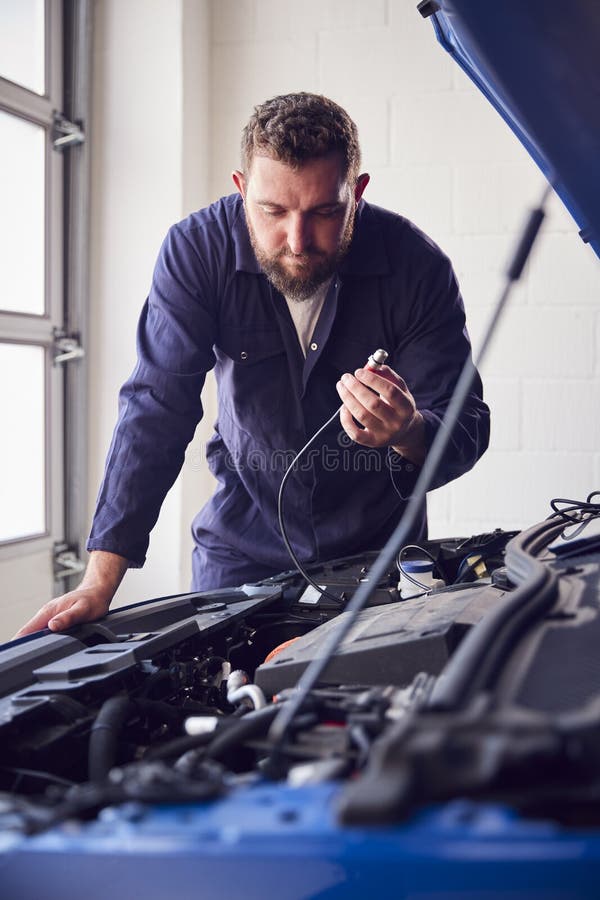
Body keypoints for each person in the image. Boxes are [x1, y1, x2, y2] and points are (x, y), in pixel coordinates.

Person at [17, 92, 490, 637]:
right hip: (239, 556)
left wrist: (409, 431)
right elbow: (156, 408)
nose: (296, 240)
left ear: (356, 193)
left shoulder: (417, 266)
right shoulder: (196, 252)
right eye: (272, 211)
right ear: (242, 190)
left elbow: (468, 426)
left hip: (380, 564)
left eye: (324, 212)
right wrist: (100, 579)